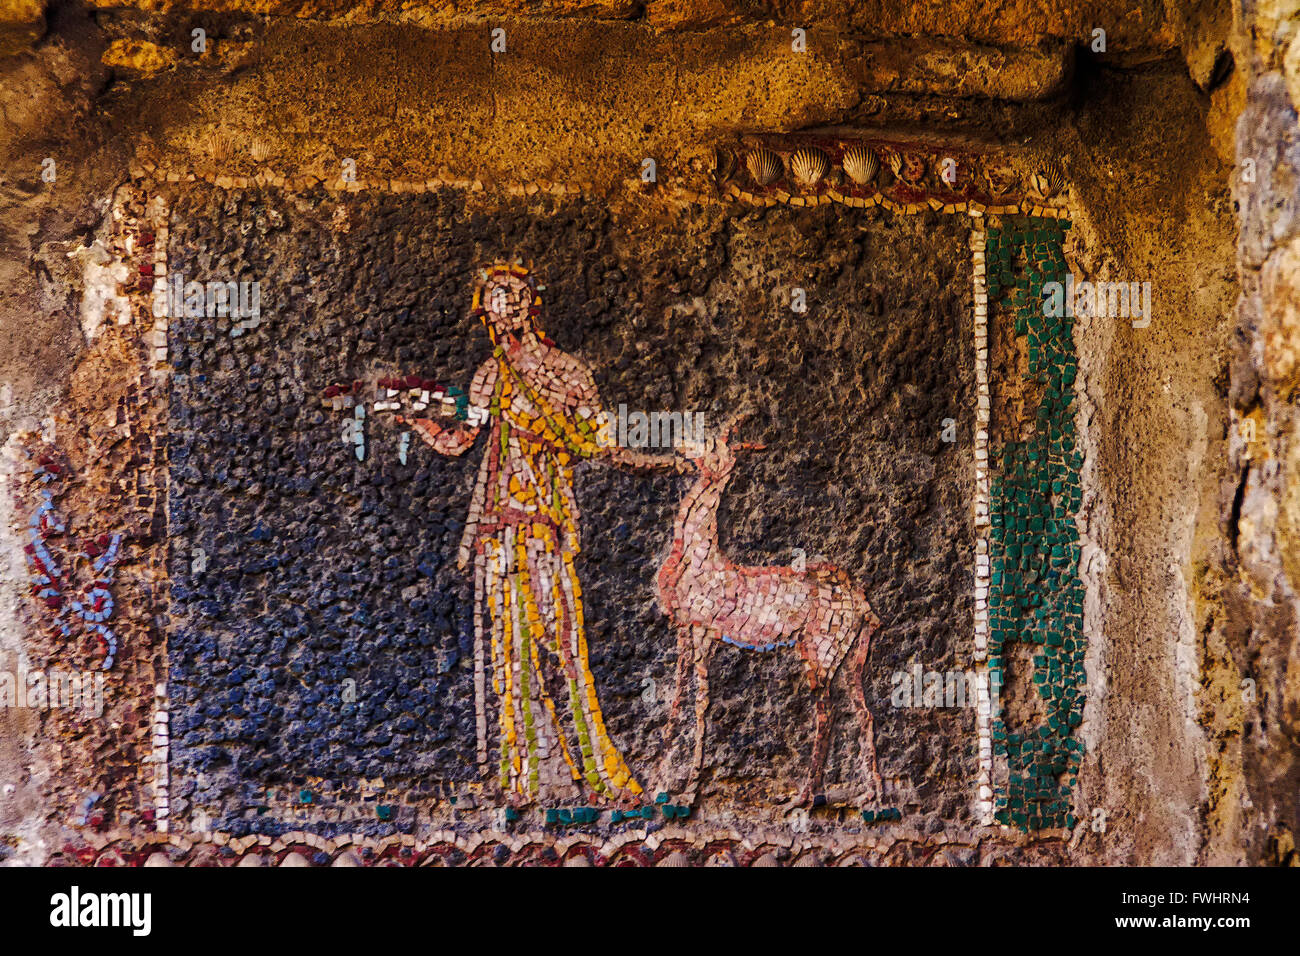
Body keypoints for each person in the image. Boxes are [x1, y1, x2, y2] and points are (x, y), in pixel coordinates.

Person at [404, 261, 675, 805]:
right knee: (512, 654)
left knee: (564, 646)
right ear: (486, 315)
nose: (502, 312)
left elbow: (601, 443)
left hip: (547, 525)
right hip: (501, 527)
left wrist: (663, 460)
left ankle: (601, 774)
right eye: (493, 303)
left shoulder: (569, 373)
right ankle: (531, 778)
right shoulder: (490, 374)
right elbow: (462, 441)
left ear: (530, 304)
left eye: (511, 299)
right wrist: (418, 420)